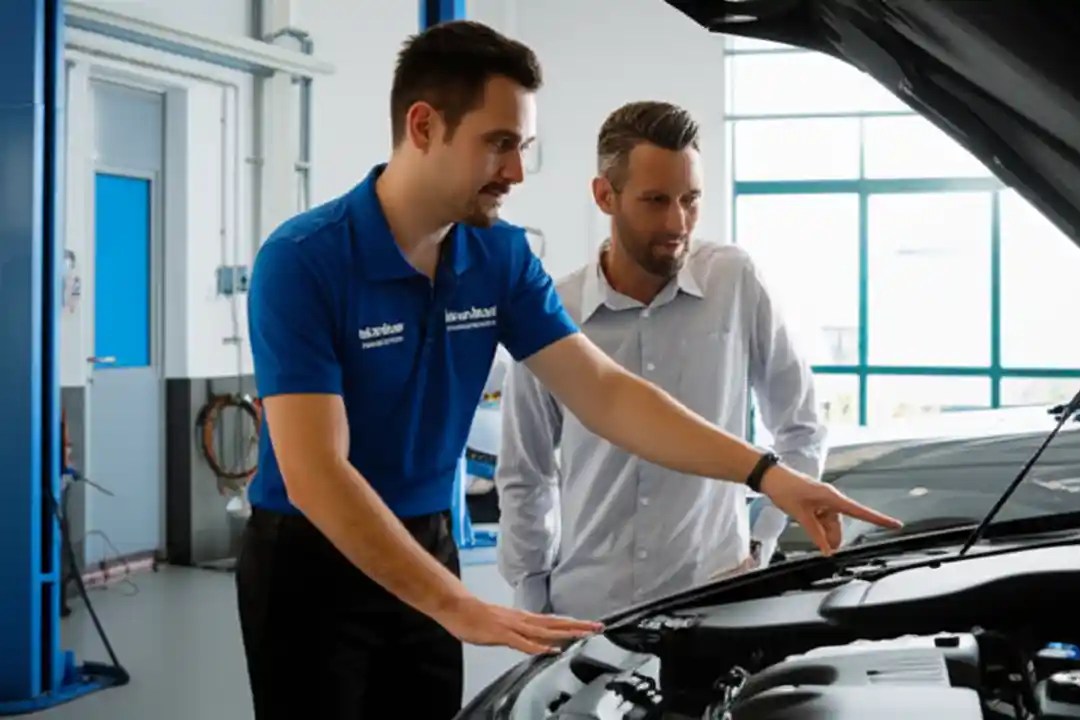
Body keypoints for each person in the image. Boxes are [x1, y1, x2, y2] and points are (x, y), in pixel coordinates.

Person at [239, 20, 900, 720]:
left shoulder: (498, 257)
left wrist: (767, 475)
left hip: (426, 536)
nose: (518, 173)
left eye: (522, 147)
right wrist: (454, 603)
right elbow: (316, 472)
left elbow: (608, 394)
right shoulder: (303, 260)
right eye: (499, 144)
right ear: (424, 126)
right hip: (311, 557)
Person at [495, 101, 828, 620]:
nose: (678, 222)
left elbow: (801, 426)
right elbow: (526, 474)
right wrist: (532, 598)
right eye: (655, 201)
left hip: (715, 597)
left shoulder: (735, 282)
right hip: (588, 611)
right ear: (605, 195)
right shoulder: (553, 312)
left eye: (690, 200)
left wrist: (761, 543)